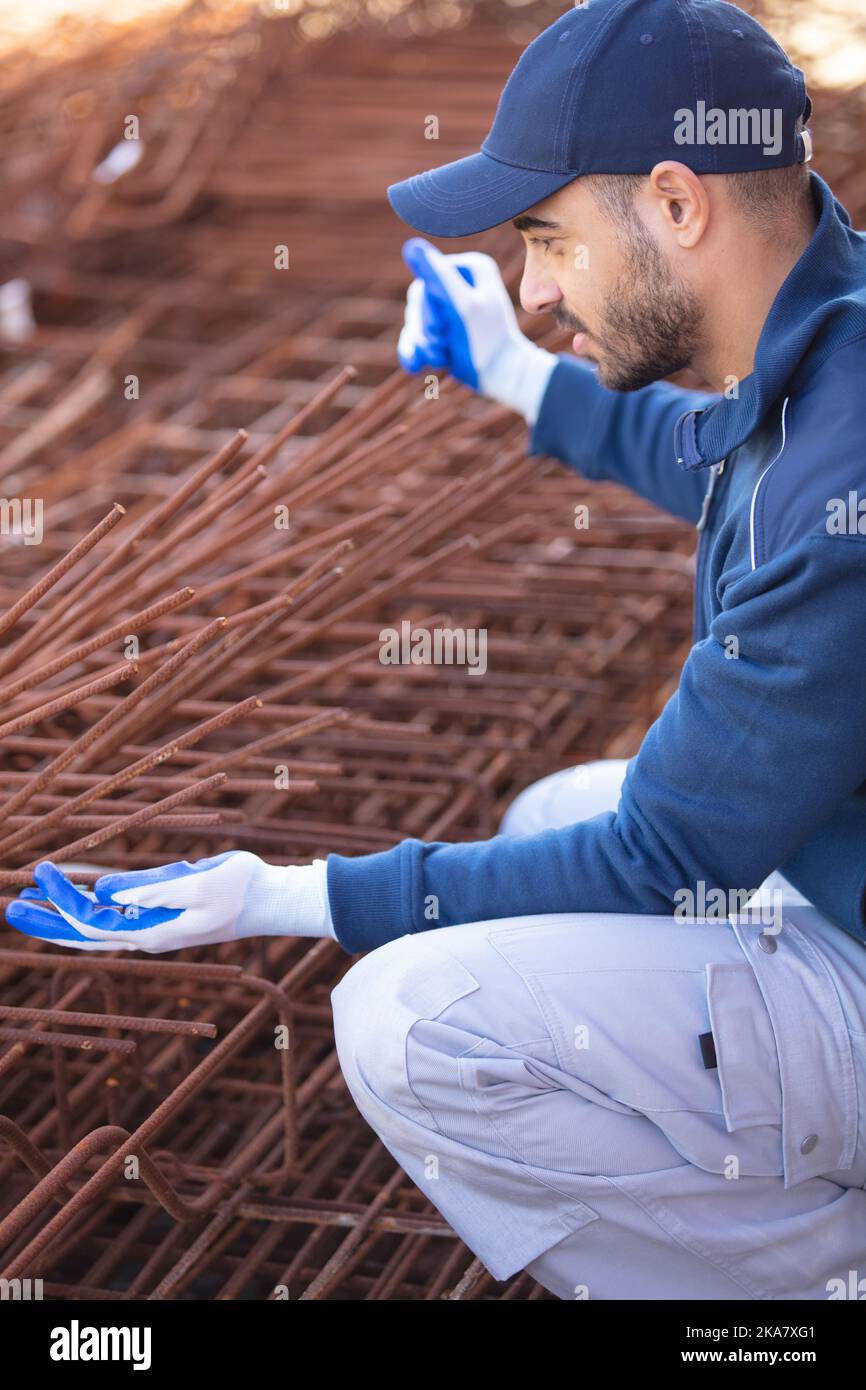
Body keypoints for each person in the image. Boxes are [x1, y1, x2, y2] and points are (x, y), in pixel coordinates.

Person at [9, 0, 866, 1299]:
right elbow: (716, 461)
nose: (533, 291)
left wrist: (284, 895)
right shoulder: (828, 348)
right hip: (839, 881)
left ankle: (800, 1289)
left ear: (678, 205)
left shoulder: (842, 478)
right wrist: (526, 383)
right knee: (547, 809)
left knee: (409, 1019)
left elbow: (663, 859)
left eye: (547, 241)